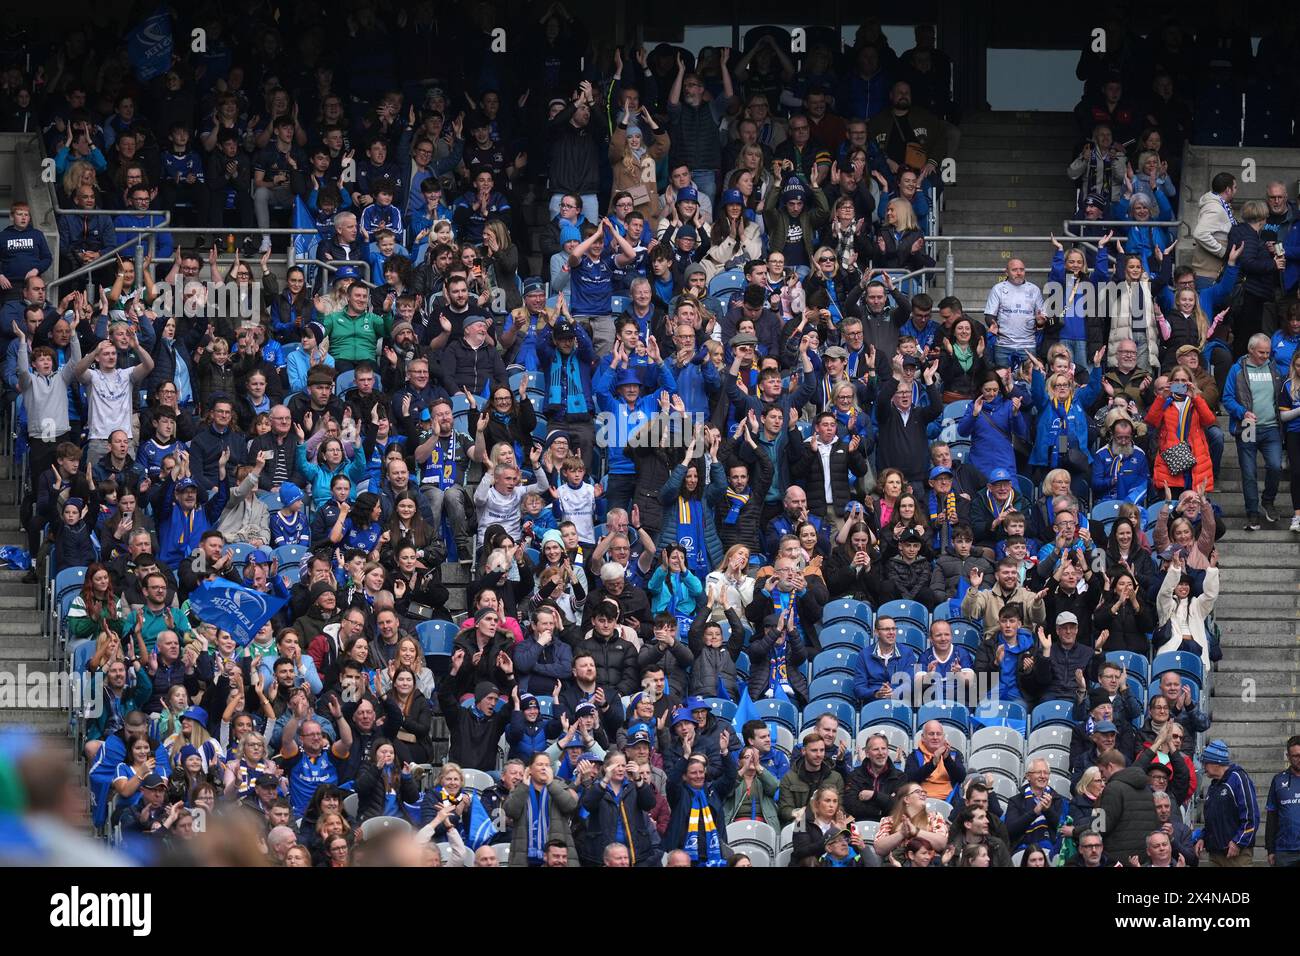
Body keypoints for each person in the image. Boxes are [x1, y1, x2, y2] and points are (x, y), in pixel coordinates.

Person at [1223, 333, 1283, 529]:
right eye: (1261, 352)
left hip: (1271, 427)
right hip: (1247, 427)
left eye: (1268, 352)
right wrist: (1242, 412)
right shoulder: (1237, 370)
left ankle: (1268, 501)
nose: (1266, 356)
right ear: (1250, 350)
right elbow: (1228, 397)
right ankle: (1252, 513)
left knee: (1275, 466)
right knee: (1249, 473)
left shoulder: (1273, 368)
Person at [504, 753, 580, 867]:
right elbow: (511, 811)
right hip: (524, 857)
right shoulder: (520, 788)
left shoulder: (559, 785)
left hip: (556, 857)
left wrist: (551, 784)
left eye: (547, 765)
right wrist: (524, 786)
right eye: (540, 764)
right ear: (529, 769)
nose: (544, 768)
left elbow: (570, 806)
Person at [1202, 739, 1260, 867]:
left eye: (1205, 762)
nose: (1203, 766)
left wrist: (1238, 842)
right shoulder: (1214, 786)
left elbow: (1251, 817)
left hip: (1236, 855)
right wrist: (1202, 837)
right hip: (1215, 854)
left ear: (1216, 762)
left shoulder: (1238, 778)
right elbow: (1213, 820)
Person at [1265, 736, 1300, 867]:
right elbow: (1271, 816)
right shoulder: (1278, 780)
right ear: (1288, 756)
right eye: (1295, 756)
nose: (1299, 759)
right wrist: (1270, 849)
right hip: (1285, 852)